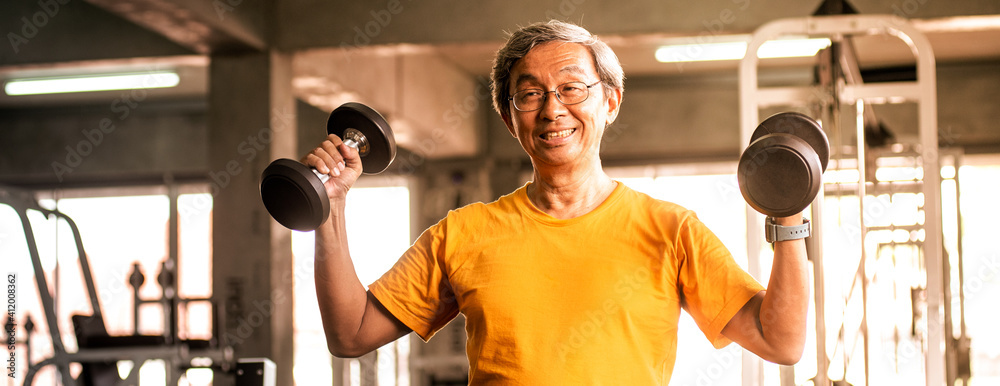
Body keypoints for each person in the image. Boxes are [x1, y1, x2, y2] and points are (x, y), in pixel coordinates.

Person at [304, 19, 809, 384]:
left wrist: (789, 209)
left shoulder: (672, 230)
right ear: (509, 117)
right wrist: (331, 208)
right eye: (530, 94)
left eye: (572, 88)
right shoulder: (463, 233)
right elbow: (350, 334)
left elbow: (780, 341)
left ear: (609, 102)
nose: (552, 110)